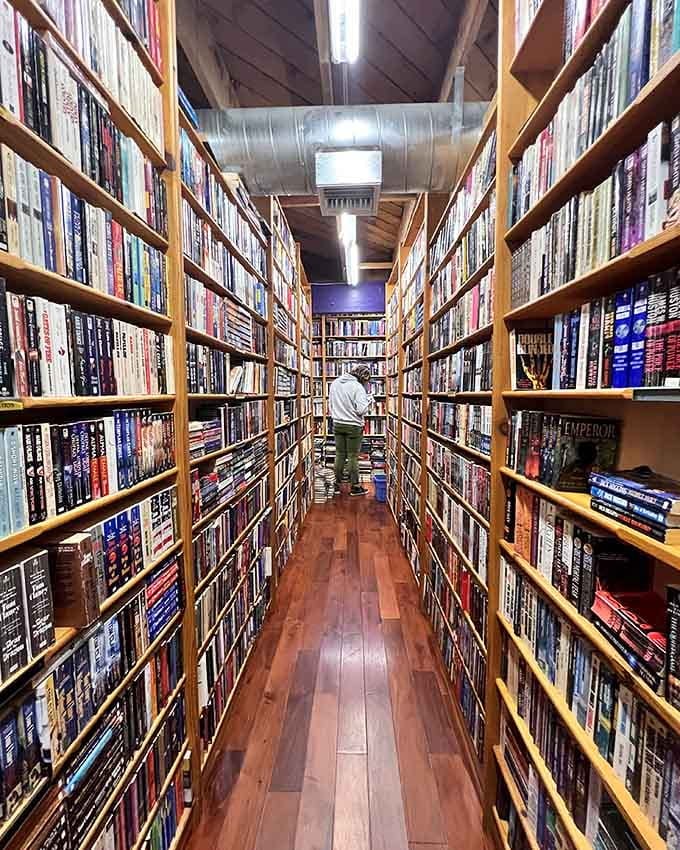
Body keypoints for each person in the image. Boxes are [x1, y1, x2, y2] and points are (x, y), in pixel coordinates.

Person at [328, 365, 374, 496]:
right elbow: (361, 410)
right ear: (362, 377)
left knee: (340, 454)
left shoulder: (335, 383)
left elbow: (331, 404)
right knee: (352, 456)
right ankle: (355, 487)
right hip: (353, 425)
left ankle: (335, 486)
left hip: (337, 423)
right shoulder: (357, 387)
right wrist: (369, 401)